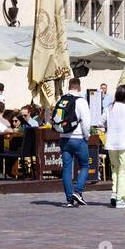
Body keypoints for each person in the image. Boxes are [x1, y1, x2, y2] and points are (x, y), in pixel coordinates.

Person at [53, 77, 91, 207]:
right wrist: (87, 136)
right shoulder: (81, 101)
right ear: (79, 87)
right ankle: (78, 191)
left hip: (64, 138)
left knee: (67, 169)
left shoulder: (61, 100)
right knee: (85, 165)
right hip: (78, 138)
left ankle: (69, 199)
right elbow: (86, 123)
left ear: (68, 86)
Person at [104, 84, 125, 208]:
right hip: (124, 142)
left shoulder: (109, 107)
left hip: (111, 143)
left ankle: (114, 193)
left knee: (115, 169)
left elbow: (101, 122)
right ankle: (120, 198)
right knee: (124, 170)